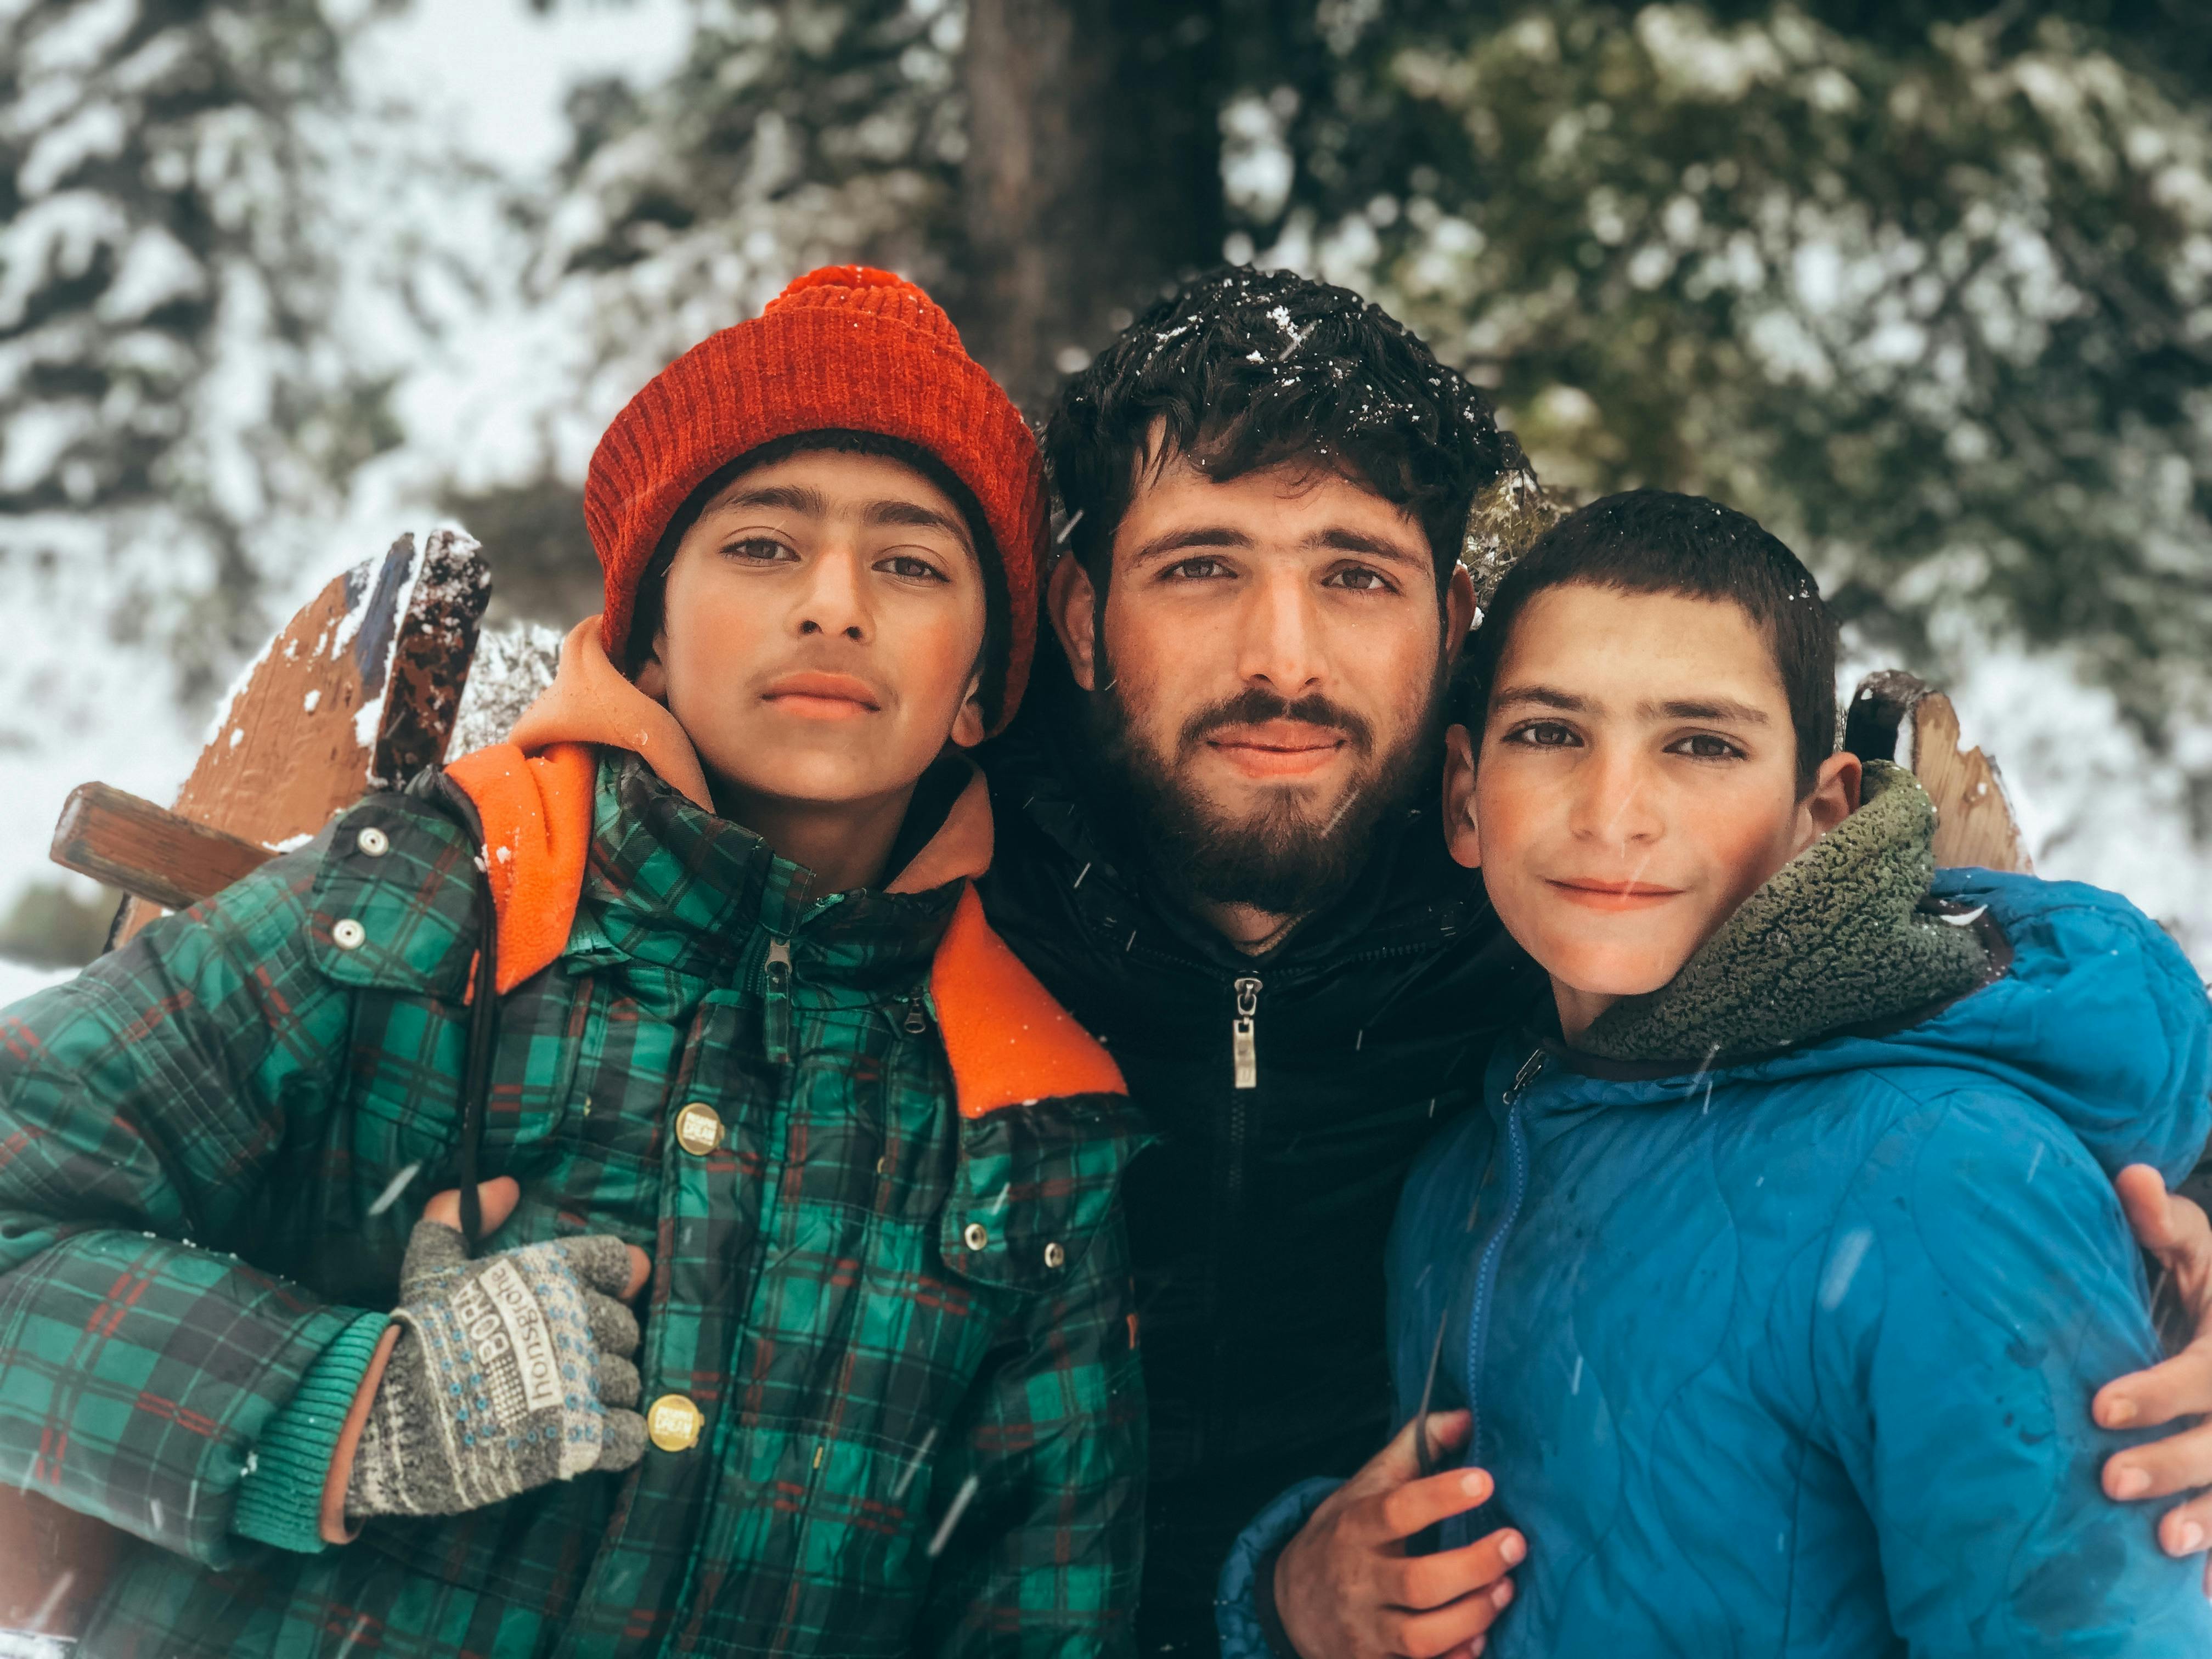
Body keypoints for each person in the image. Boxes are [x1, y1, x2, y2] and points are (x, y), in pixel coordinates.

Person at [982, 266, 2212, 1652]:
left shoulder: (1560, 933)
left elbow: (1977, 1041)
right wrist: (1278, 1597)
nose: (1285, 655)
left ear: (1447, 625)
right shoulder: (939, 912)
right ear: (1083, 618)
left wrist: (2148, 1234)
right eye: (1202, 568)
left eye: (1354, 575)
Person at [0, 266, 1149, 1656]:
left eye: (911, 563)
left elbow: (1044, 1615)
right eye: (763, 547)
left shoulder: (1032, 1116)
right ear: (649, 636)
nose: (835, 604)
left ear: (982, 686)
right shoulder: (425, 903)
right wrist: (353, 1412)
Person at [1216, 490, 2212, 1658]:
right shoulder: (1462, 1173)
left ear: (1821, 813)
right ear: (1463, 795)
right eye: (1550, 732)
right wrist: (1288, 1597)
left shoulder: (1951, 1175)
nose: (1613, 812)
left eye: (1702, 744)